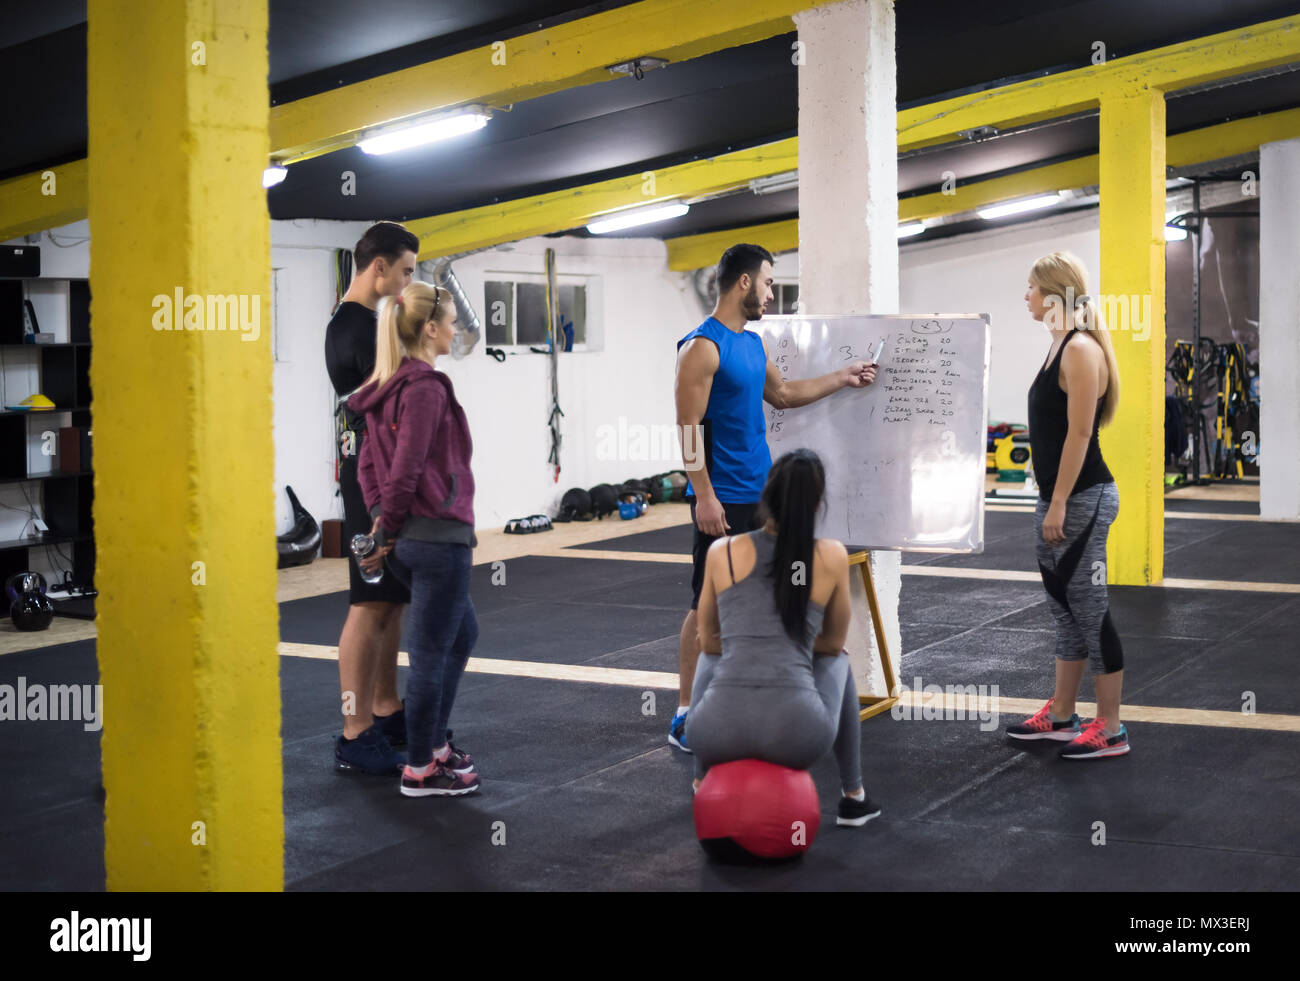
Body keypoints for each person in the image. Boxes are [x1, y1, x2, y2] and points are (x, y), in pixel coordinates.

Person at [670, 243, 876, 751]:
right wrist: (704, 497)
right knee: (707, 604)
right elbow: (687, 428)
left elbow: (783, 396)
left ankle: (750, 698)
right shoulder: (701, 347)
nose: (769, 292)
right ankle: (684, 713)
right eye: (765, 282)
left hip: (763, 496)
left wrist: (842, 378)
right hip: (723, 500)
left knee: (768, 595)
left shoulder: (753, 344)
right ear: (743, 283)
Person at [687, 449, 880, 826]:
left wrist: (752, 643)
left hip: (713, 733)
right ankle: (853, 797)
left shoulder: (721, 551)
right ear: (818, 502)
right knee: (839, 658)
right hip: (797, 736)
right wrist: (785, 647)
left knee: (712, 657)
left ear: (766, 493)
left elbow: (707, 640)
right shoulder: (831, 555)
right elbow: (830, 643)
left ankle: (700, 779)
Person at [348, 282, 481, 797]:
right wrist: (390, 526)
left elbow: (366, 466)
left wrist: (383, 522)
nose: (454, 328)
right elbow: (404, 469)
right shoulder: (424, 387)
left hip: (411, 540)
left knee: (461, 636)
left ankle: (434, 748)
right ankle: (422, 768)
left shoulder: (388, 386)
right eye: (449, 320)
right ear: (428, 329)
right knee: (429, 657)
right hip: (434, 540)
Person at [1006, 251, 1129, 759]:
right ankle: (1062, 714)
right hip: (1056, 497)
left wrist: (1057, 503)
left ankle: (1112, 727)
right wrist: (1048, 498)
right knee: (1064, 611)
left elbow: (1080, 434)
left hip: (1083, 497)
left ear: (1055, 294)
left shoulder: (1079, 350)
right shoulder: (1057, 346)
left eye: (1032, 288)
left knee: (1090, 609)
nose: (1026, 296)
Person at [325, 221, 418, 774]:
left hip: (380, 472)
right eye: (404, 271)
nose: (408, 283)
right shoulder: (353, 326)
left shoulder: (373, 322)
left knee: (391, 597)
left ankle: (385, 708)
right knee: (367, 599)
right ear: (378, 266)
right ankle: (354, 730)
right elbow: (381, 403)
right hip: (367, 477)